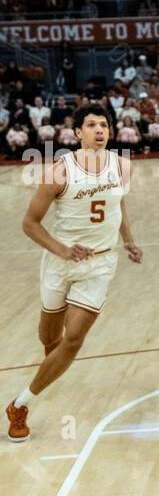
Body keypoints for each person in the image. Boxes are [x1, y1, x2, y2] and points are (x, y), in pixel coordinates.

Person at [6, 105, 142, 442]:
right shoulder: (58, 172)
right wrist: (62, 250)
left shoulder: (123, 167)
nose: (99, 129)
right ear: (77, 133)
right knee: (49, 338)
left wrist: (128, 240)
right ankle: (51, 359)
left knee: (74, 339)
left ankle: (20, 405)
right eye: (92, 125)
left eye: (104, 124)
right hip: (60, 261)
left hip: (100, 264)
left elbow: (118, 203)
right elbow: (29, 223)